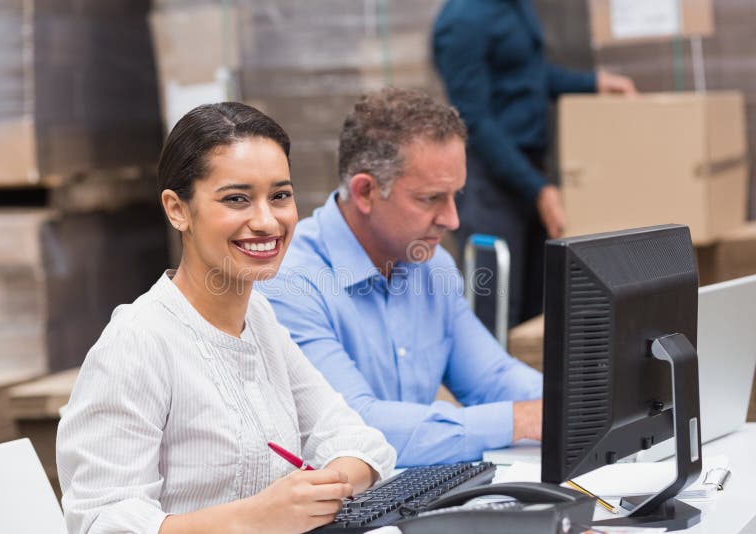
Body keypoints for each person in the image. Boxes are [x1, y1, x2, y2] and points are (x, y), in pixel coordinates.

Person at [56, 102, 396, 534]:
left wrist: (322, 489)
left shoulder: (258, 318)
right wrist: (253, 519)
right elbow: (101, 521)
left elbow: (358, 440)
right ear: (177, 210)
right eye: (237, 199)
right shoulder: (138, 342)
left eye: (280, 196)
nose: (267, 220)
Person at [258, 88, 542, 467]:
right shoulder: (291, 283)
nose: (452, 219)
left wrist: (570, 402)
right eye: (430, 199)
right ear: (365, 191)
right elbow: (359, 429)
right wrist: (517, 420)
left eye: (455, 195)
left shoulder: (431, 265)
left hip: (410, 493)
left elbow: (492, 377)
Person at [432, 0, 637, 327]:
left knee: (537, 314)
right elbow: (474, 122)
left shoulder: (516, 7)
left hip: (529, 173)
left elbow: (530, 75)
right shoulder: (461, 22)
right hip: (490, 183)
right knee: (495, 314)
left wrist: (593, 83)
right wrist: (539, 189)